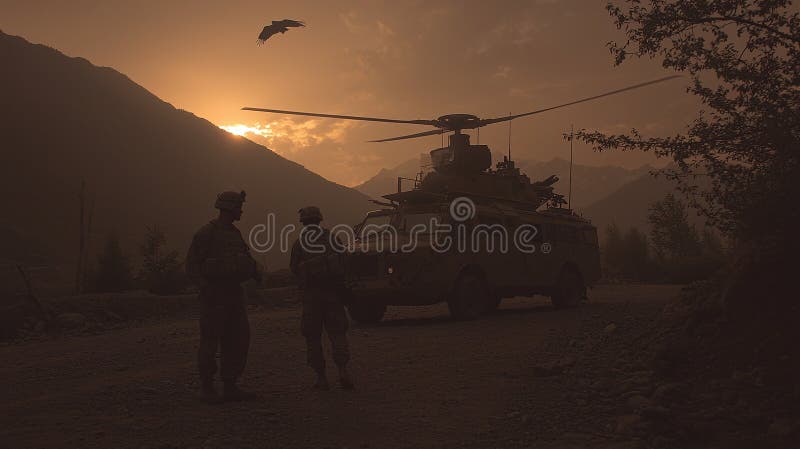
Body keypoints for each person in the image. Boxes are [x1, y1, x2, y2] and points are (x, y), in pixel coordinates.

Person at [186, 190, 260, 403]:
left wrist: (255, 273)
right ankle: (207, 387)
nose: (241, 211)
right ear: (229, 208)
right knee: (210, 341)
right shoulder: (205, 234)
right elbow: (191, 266)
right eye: (238, 207)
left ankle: (230, 385)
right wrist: (204, 287)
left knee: (237, 339)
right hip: (214, 295)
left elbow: (246, 259)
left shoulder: (234, 233)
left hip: (234, 294)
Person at [290, 206, 354, 390]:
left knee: (312, 337)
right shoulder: (332, 238)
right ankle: (343, 372)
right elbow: (344, 262)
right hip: (333, 295)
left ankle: (321, 378)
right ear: (319, 219)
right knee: (338, 334)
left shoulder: (300, 243)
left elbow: (294, 269)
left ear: (303, 222)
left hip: (311, 298)